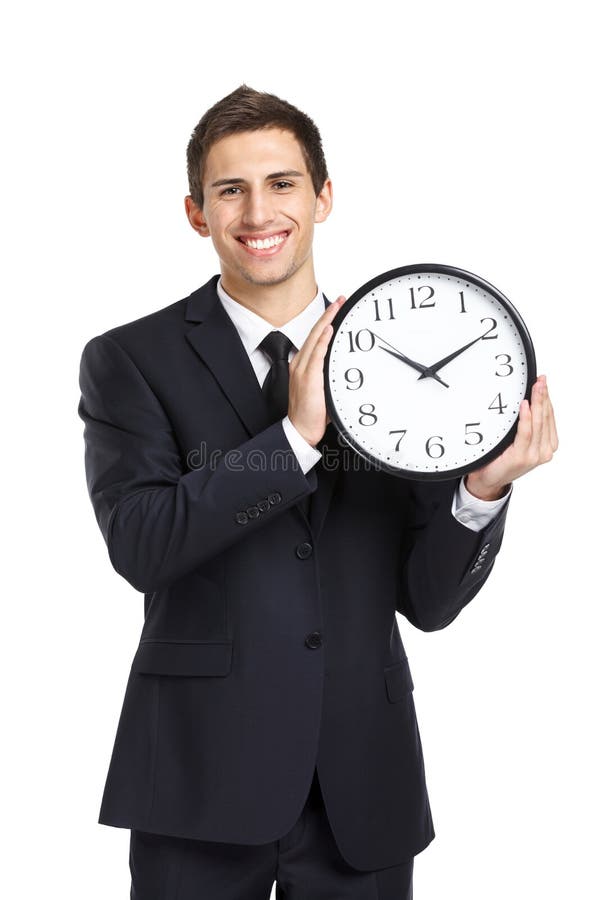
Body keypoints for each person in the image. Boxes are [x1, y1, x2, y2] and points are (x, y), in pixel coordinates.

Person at [78, 85, 558, 900]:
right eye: (230, 189)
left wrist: (481, 490)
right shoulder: (130, 359)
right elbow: (142, 544)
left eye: (283, 183)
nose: (258, 211)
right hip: (198, 781)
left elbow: (427, 602)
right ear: (197, 213)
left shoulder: (408, 357)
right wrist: (294, 440)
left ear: (324, 197)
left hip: (360, 784)